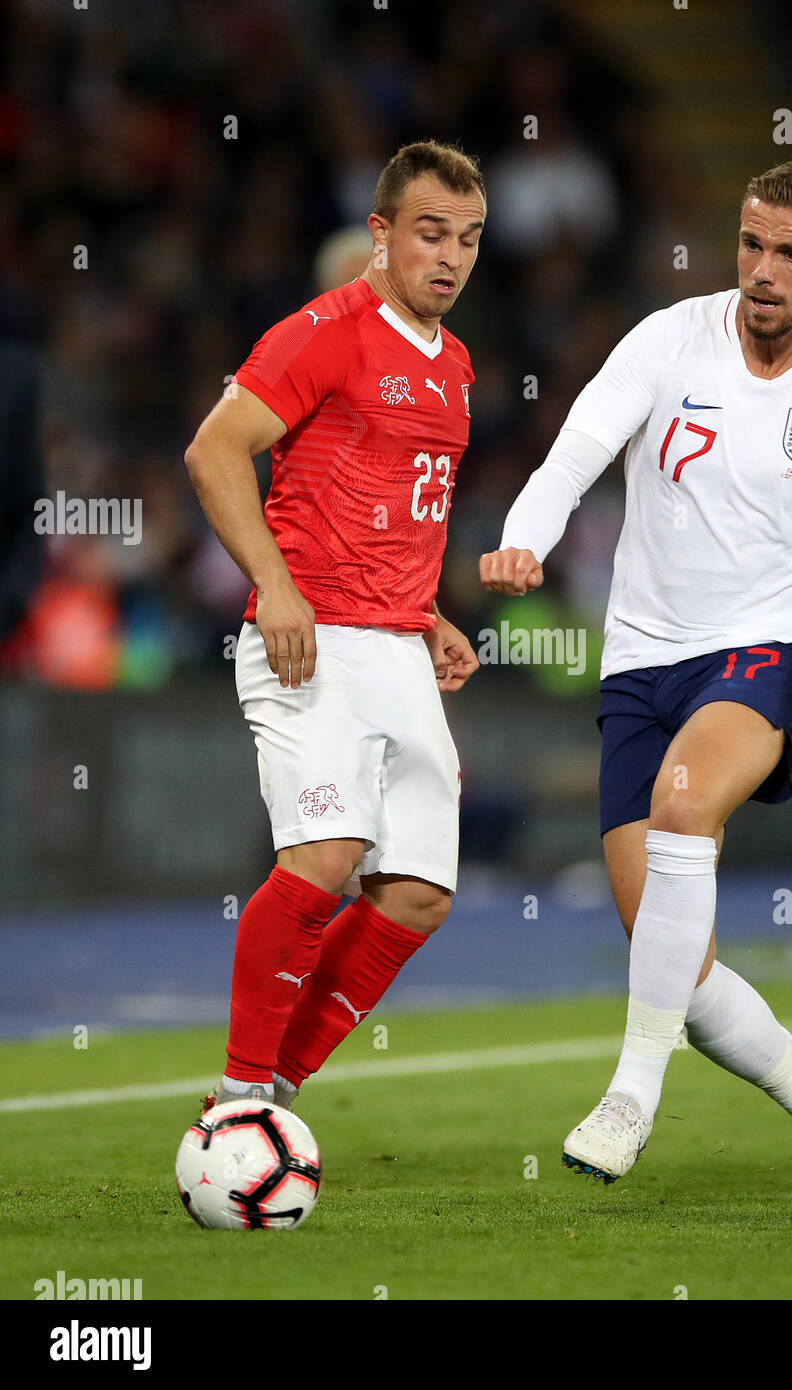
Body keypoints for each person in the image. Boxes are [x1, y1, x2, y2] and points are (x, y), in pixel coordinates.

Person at [480, 159, 792, 1211]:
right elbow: (576, 449)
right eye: (749, 243)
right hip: (641, 659)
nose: (762, 271)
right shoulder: (666, 339)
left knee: (684, 804)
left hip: (767, 650)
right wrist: (522, 539)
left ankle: (632, 1093)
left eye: (790, 253)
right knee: (676, 964)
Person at [185, 141, 484, 1112]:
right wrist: (274, 587)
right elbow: (215, 450)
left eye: (469, 239)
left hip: (395, 644)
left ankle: (275, 1089)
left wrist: (429, 615)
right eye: (430, 233)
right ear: (382, 233)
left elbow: (383, 505)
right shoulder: (323, 331)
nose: (449, 256)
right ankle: (237, 1100)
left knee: (416, 894)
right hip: (309, 639)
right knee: (322, 858)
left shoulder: (457, 365)